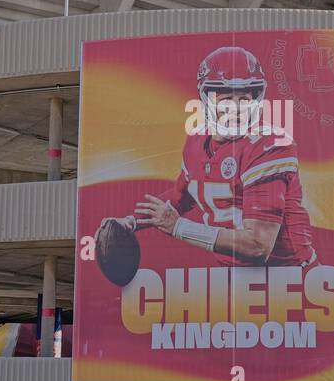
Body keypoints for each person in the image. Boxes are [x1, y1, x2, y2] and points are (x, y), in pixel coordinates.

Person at [128, 45, 315, 267]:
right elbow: (183, 193)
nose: (236, 108)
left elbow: (258, 246)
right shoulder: (198, 139)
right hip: (233, 275)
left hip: (289, 278)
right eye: (226, 99)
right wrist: (131, 221)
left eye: (244, 98)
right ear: (207, 99)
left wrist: (180, 228)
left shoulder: (270, 145)